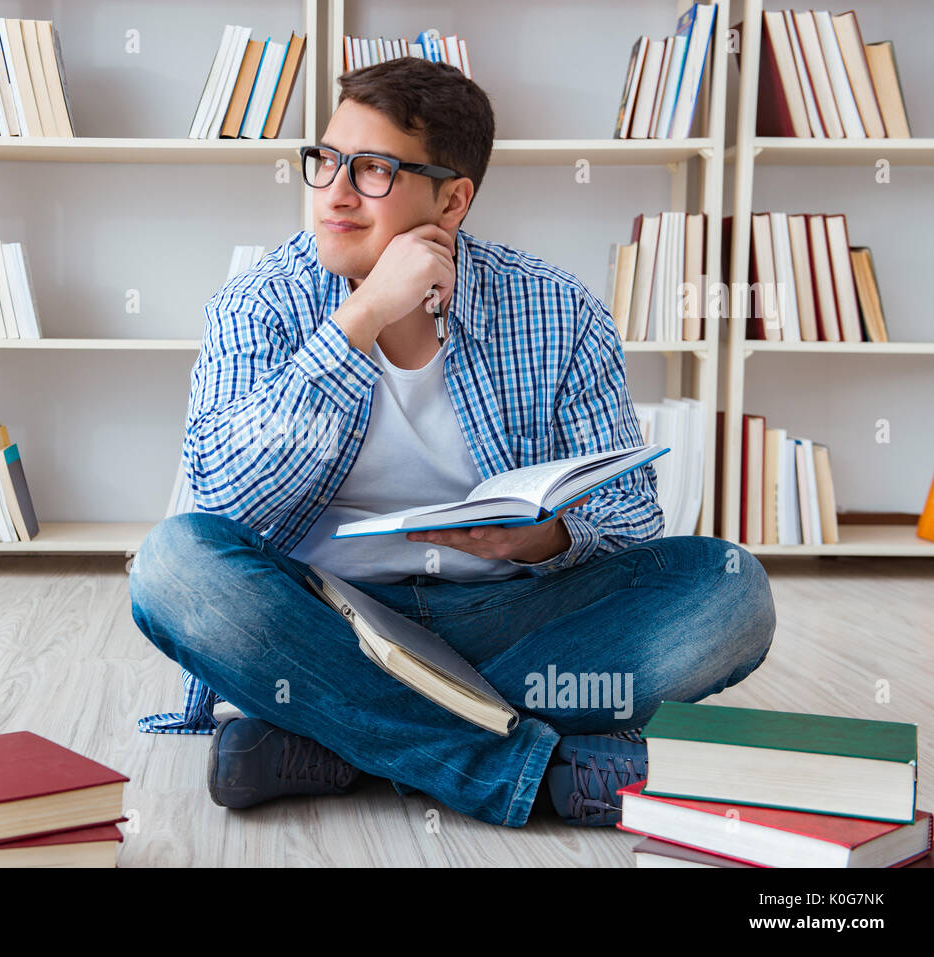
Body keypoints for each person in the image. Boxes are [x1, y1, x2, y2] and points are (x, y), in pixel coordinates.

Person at [130, 58, 775, 828]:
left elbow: (635, 521)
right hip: (331, 619)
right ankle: (521, 769)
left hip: (510, 615)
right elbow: (228, 497)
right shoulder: (257, 303)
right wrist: (360, 318)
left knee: (730, 588)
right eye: (326, 160)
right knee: (173, 565)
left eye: (371, 169)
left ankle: (341, 736)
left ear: (453, 197)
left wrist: (540, 540)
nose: (333, 191)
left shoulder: (558, 309)